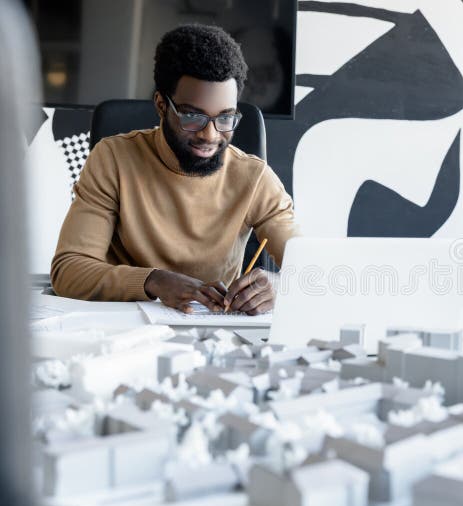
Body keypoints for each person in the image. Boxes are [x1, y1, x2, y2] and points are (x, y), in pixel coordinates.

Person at [51, 24, 298, 315]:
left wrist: (279, 286)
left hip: (215, 333)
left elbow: (315, 270)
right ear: (160, 105)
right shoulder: (113, 159)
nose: (210, 135)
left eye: (225, 118)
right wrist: (153, 281)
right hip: (123, 331)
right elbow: (68, 271)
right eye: (193, 117)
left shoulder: (254, 177)